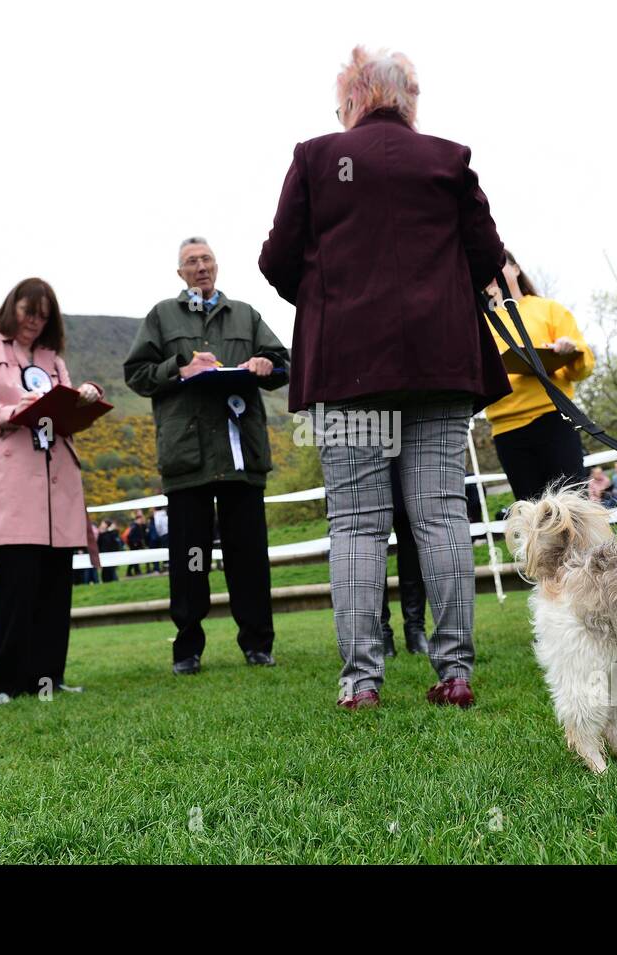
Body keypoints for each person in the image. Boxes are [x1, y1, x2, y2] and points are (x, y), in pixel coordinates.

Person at [258, 47, 510, 710]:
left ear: (353, 100)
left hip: (348, 364)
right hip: (440, 363)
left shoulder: (316, 159)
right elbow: (486, 255)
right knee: (440, 514)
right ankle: (454, 669)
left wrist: (329, 295)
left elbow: (277, 259)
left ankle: (361, 681)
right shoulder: (448, 160)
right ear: (407, 100)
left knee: (358, 525)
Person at [124, 237, 290, 675]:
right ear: (179, 273)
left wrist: (264, 365)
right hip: (187, 457)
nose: (200, 267)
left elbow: (282, 362)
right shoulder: (162, 315)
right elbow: (136, 375)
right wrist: (179, 369)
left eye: (207, 260)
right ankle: (188, 649)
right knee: (189, 558)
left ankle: (258, 644)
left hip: (241, 456)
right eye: (191, 262)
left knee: (249, 556)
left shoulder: (245, 314)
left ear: (217, 267)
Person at [0, 277, 103, 704]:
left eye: (42, 316)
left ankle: (48, 678)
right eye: (27, 312)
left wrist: (84, 399)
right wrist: (11, 412)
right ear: (12, 307)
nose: (34, 323)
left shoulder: (51, 357)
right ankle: (3, 682)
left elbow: (64, 409)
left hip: (58, 485)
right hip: (11, 483)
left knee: (55, 585)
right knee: (15, 585)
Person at [482, 250, 596, 503]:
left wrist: (570, 349)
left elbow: (583, 367)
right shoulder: (480, 321)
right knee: (532, 513)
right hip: (507, 429)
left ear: (516, 268)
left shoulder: (549, 309)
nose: (492, 273)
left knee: (573, 504)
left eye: (498, 265)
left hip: (555, 417)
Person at [379, 459, 429, 657]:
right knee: (369, 536)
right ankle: (381, 633)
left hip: (404, 445)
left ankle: (416, 629)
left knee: (410, 530)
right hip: (363, 443)